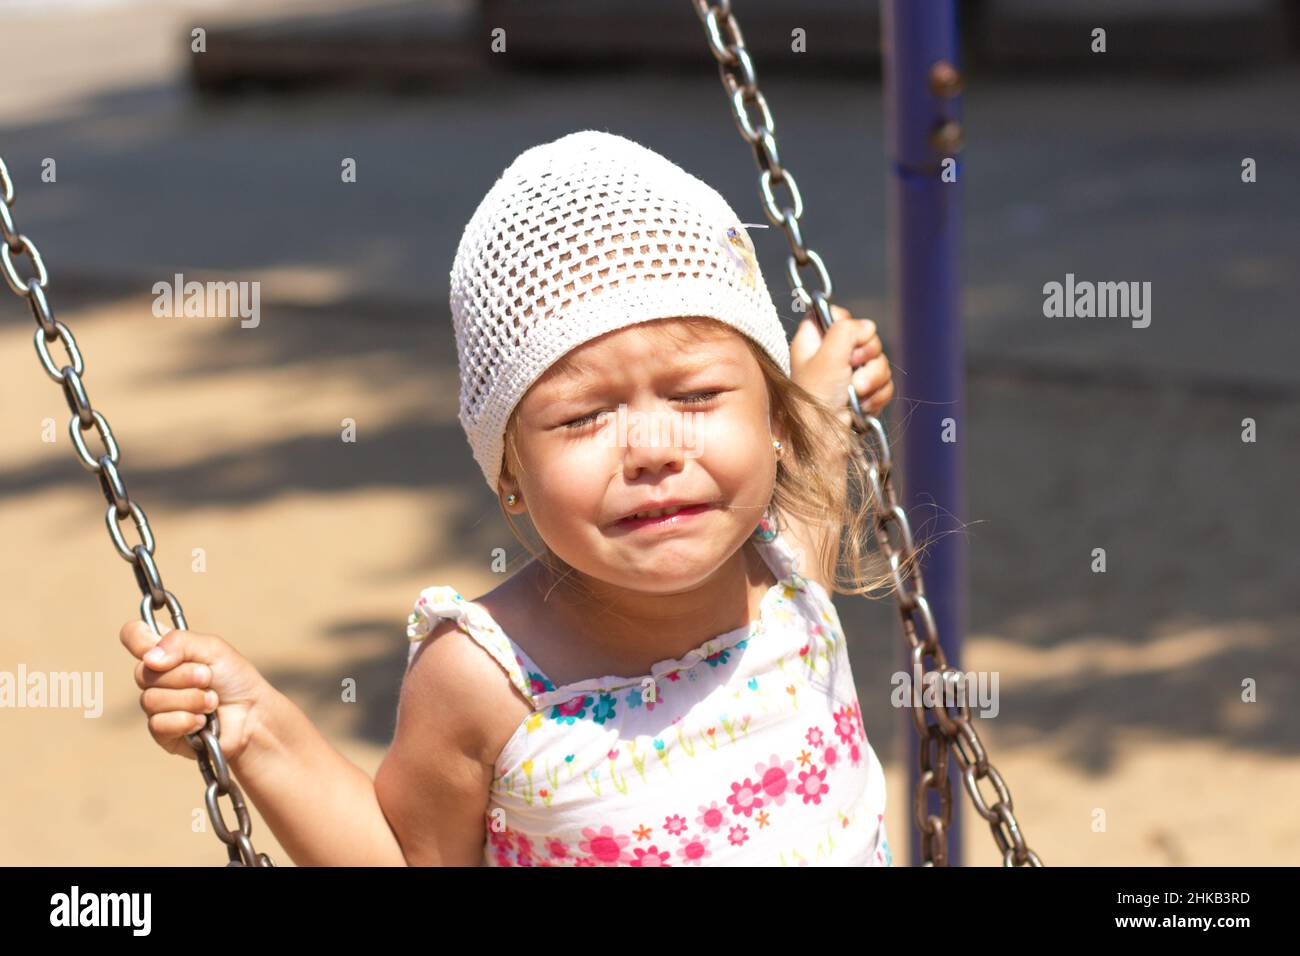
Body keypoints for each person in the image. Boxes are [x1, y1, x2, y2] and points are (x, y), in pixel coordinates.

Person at [120, 130, 898, 866]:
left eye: (696, 395)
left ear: (773, 425)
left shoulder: (786, 567)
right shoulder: (487, 679)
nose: (655, 449)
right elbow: (407, 859)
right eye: (585, 416)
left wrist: (825, 397)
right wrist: (257, 730)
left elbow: (813, 453)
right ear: (510, 477)